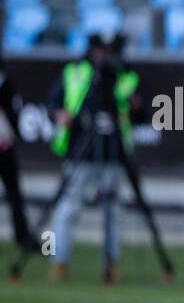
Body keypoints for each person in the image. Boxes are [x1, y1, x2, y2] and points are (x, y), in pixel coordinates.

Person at [46, 34, 143, 286]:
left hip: (112, 151)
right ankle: (59, 261)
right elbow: (53, 104)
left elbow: (141, 113)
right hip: (81, 147)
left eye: (109, 52)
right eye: (101, 51)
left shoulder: (125, 76)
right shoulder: (74, 72)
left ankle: (111, 262)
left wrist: (135, 107)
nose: (104, 57)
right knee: (68, 206)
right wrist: (59, 114)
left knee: (112, 208)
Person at [0, 59, 32, 251]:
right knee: (14, 194)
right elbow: (13, 112)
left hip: (4, 145)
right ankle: (23, 237)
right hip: (3, 144)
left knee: (14, 194)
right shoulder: (4, 80)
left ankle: (23, 235)